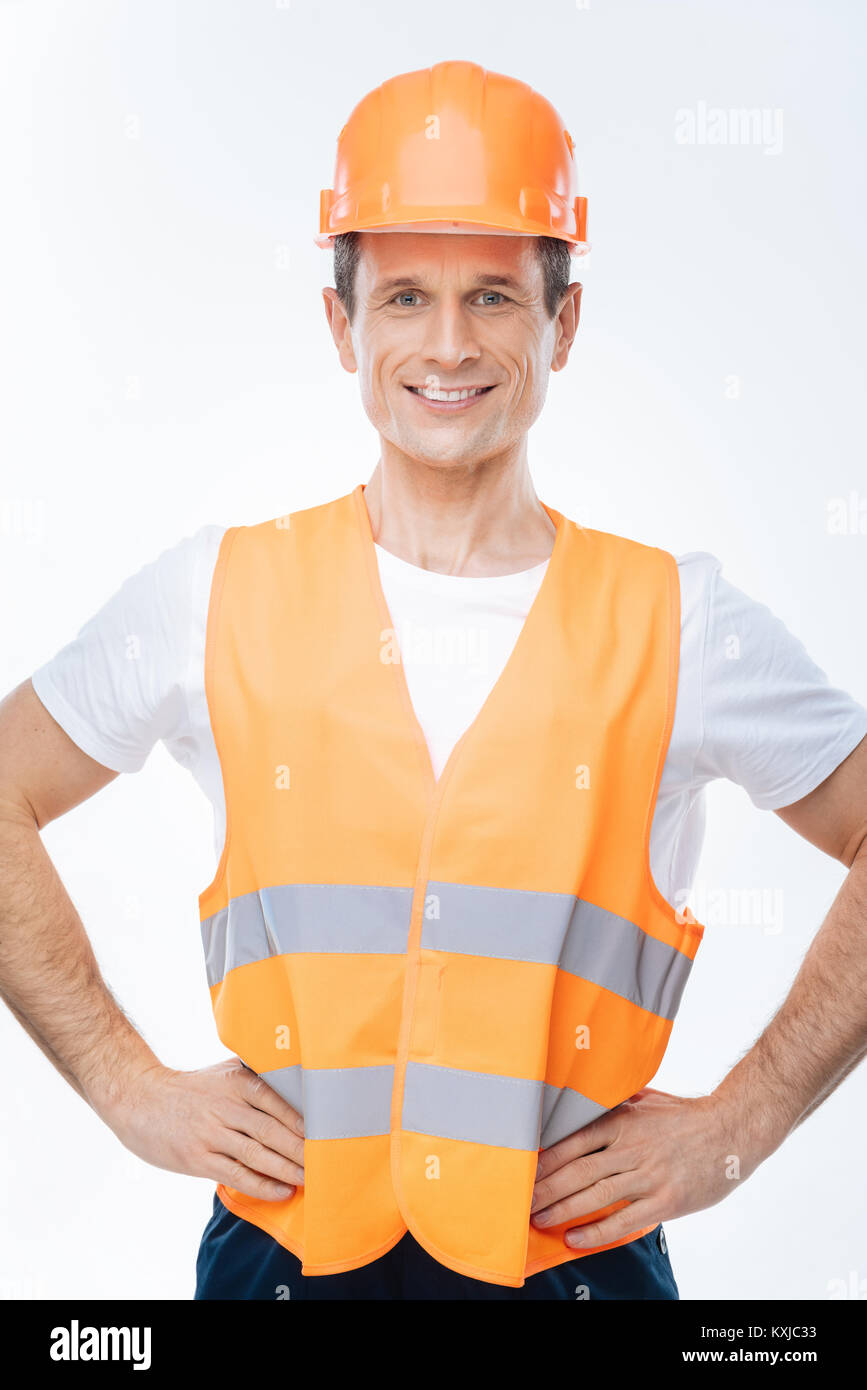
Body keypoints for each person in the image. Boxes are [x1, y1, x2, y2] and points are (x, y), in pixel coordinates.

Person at [2, 61, 866, 1302]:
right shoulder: (215, 593)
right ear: (342, 322)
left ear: (561, 325)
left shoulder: (677, 620)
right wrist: (122, 1084)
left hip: (571, 1265)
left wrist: (747, 1118)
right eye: (404, 294)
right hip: (284, 1258)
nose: (449, 345)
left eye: (495, 297)